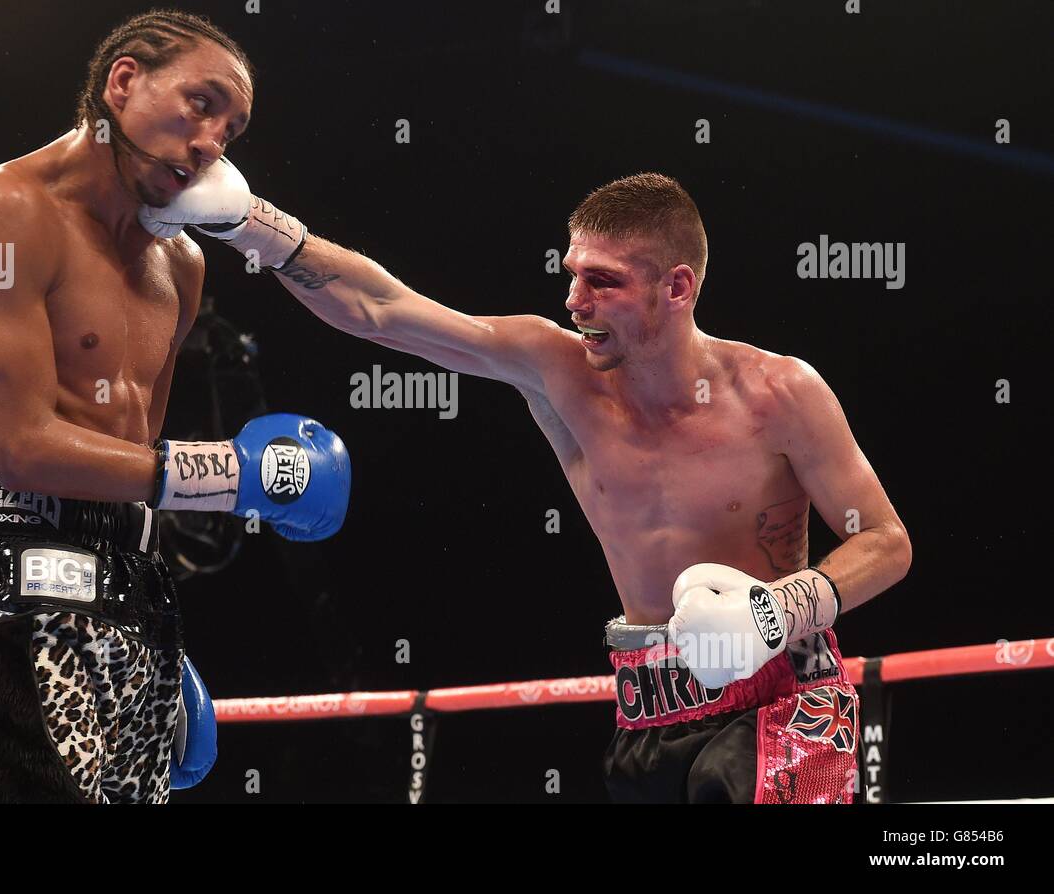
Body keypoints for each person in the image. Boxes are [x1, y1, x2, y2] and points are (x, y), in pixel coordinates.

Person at [141, 165, 911, 803]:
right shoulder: (557, 371)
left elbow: (886, 541)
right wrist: (252, 224)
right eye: (572, 274)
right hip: (648, 704)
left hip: (785, 696)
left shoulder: (780, 394)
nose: (574, 302)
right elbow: (383, 310)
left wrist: (778, 610)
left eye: (602, 283)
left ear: (677, 288)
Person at [0, 9, 350, 804]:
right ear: (122, 82)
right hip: (8, 572)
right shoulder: (4, 212)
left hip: (130, 582)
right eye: (201, 103)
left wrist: (145, 609)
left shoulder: (181, 264)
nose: (215, 139)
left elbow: (133, 459)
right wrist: (232, 475)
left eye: (233, 125)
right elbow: (21, 448)